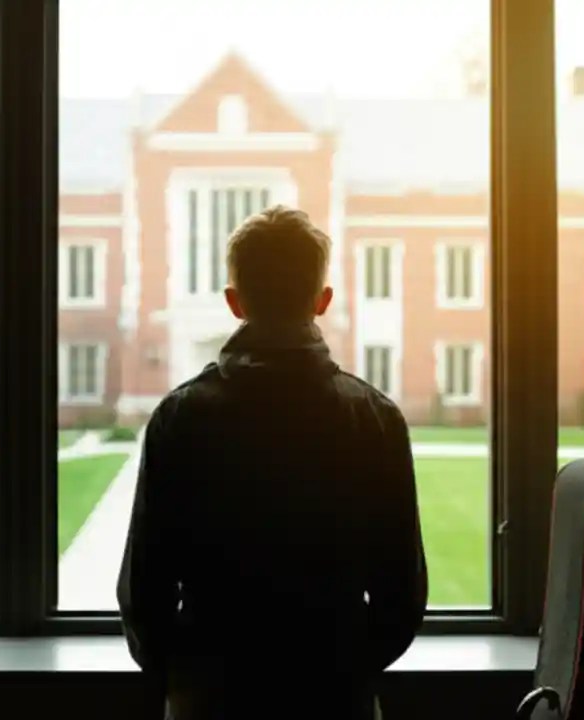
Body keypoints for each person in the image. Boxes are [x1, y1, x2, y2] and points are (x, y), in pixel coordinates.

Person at [117, 205, 428, 720]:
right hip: (334, 690)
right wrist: (346, 665)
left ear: (235, 303)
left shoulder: (181, 416)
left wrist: (187, 673)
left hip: (212, 691)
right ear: (322, 301)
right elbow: (402, 589)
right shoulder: (374, 417)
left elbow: (145, 583)